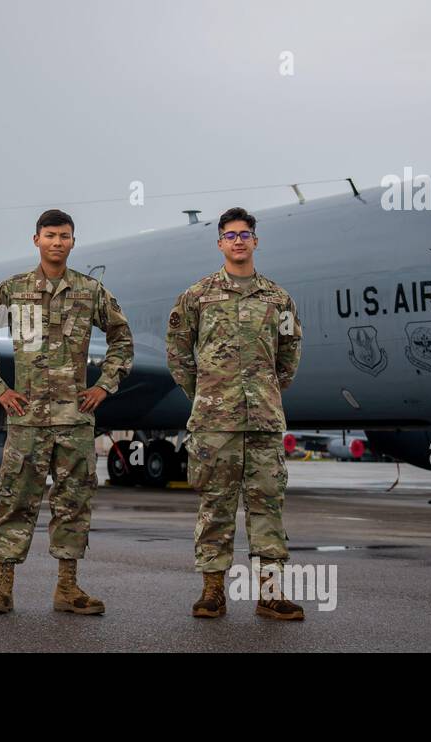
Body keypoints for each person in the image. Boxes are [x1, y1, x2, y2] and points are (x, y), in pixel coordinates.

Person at [0, 209, 133, 615]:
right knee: (15, 502)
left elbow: (122, 341)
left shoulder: (90, 291)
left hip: (75, 420)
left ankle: (67, 589)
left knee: (73, 503)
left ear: (73, 242)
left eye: (64, 236)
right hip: (26, 420)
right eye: (50, 235)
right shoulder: (13, 290)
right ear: (36, 239)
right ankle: (2, 589)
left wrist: (103, 385)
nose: (57, 242)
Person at [165, 206, 304, 620]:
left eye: (245, 234)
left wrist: (265, 392)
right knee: (216, 506)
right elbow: (177, 351)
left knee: (267, 506)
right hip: (215, 424)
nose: (238, 240)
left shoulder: (277, 299)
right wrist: (206, 394)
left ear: (255, 241)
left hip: (262, 422)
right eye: (231, 234)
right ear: (220, 242)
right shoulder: (197, 296)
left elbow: (290, 354)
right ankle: (212, 593)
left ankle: (270, 593)